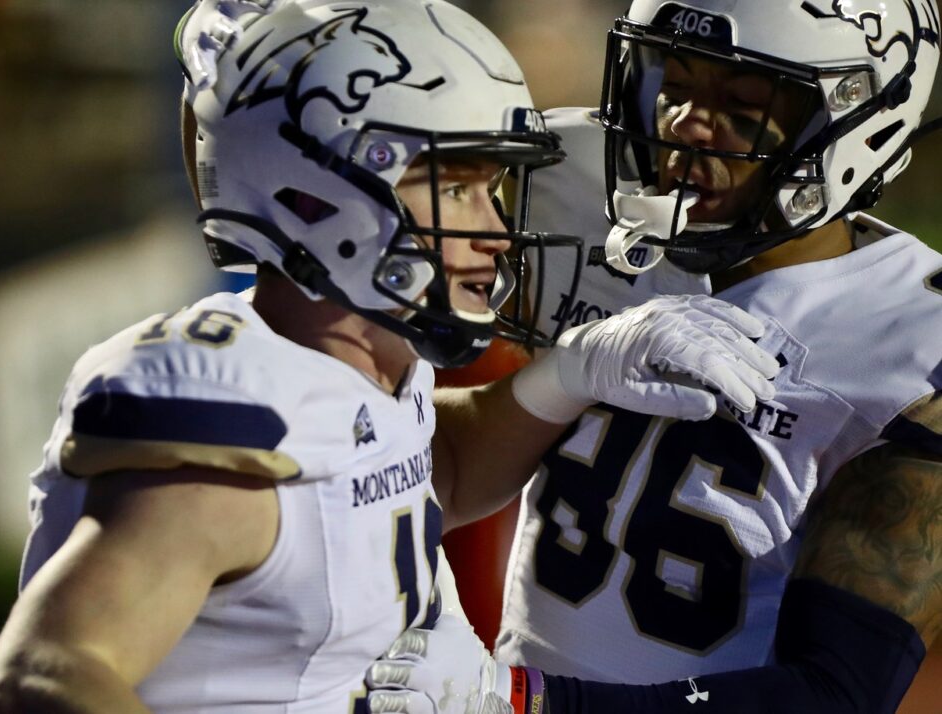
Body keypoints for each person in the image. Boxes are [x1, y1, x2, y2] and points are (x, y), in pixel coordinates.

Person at [0, 1, 779, 712]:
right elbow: (45, 680)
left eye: (492, 190)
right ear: (326, 196)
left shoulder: (365, 366)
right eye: (457, 188)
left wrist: (571, 374)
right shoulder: (231, 426)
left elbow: (427, 481)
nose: (493, 232)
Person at [365, 0, 942, 712]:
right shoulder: (570, 198)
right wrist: (563, 372)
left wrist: (522, 701)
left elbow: (830, 695)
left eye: (742, 100)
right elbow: (392, 448)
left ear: (858, 122)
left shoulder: (916, 347)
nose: (683, 123)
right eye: (675, 82)